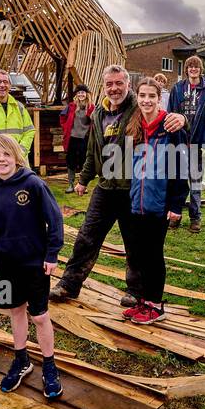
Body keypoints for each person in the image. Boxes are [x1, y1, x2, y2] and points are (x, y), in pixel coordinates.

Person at [48, 65, 187, 305]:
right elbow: (94, 150)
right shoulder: (98, 114)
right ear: (103, 87)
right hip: (105, 187)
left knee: (134, 243)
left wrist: (182, 118)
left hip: (131, 187)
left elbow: (164, 120)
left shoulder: (137, 107)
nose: (114, 88)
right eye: (109, 84)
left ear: (128, 85)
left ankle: (135, 291)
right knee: (86, 237)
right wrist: (83, 179)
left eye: (119, 83)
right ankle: (69, 284)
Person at [0, 134, 65, 397]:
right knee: (15, 311)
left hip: (34, 264)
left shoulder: (33, 184)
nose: (1, 159)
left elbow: (55, 220)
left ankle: (49, 365)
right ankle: (22, 360)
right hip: (6, 267)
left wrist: (51, 255)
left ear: (17, 156)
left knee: (39, 315)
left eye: (6, 154)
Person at [123, 77, 190, 325]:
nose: (146, 101)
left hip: (159, 204)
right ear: (137, 97)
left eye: (152, 96)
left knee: (153, 255)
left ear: (159, 98)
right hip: (137, 203)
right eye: (142, 96)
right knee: (138, 255)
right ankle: (142, 301)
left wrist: (175, 205)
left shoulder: (171, 127)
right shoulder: (135, 124)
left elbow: (182, 167)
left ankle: (155, 305)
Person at [166, 55, 205, 232]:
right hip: (179, 142)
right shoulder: (178, 89)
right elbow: (170, 114)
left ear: (200, 70)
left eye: (196, 67)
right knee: (177, 181)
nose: (193, 69)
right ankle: (176, 213)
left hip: (196, 144)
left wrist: (204, 145)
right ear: (186, 69)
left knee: (195, 183)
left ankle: (195, 218)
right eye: (190, 67)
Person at [59, 84, 94, 191]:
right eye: (79, 93)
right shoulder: (71, 106)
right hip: (72, 138)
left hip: (85, 138)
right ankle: (70, 184)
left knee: (84, 161)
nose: (80, 95)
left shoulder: (92, 107)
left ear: (86, 94)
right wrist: (66, 128)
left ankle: (83, 185)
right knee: (71, 161)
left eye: (82, 92)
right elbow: (62, 117)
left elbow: (95, 121)